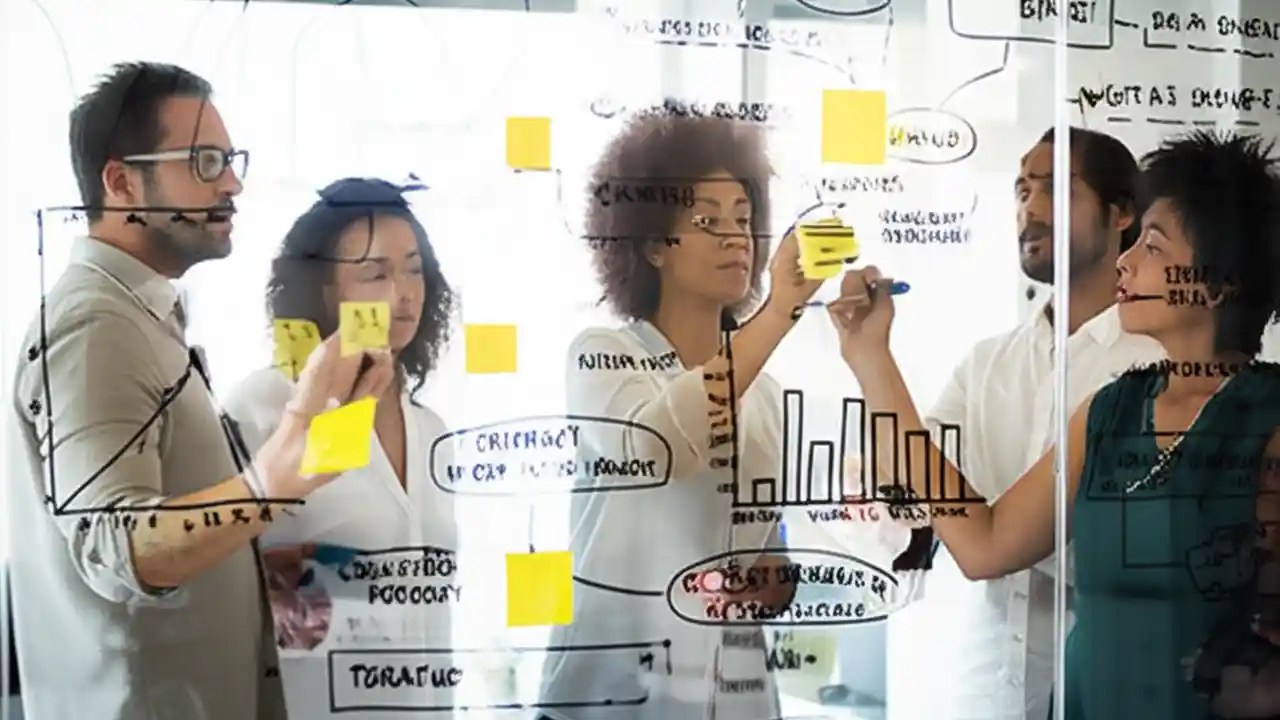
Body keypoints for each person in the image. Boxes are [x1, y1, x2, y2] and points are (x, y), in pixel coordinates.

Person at [833, 131, 1280, 718]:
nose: (1126, 260)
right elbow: (984, 545)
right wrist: (871, 358)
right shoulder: (1106, 412)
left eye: (1152, 246)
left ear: (1218, 283)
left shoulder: (1266, 416)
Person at [5, 62, 393, 719]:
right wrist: (271, 481)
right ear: (123, 181)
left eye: (230, 159)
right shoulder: (96, 324)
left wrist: (253, 551)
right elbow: (116, 544)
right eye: (206, 161)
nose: (234, 181)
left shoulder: (137, 314)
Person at [885, 127, 1165, 720]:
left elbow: (992, 542)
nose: (1029, 209)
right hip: (982, 689)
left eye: (1053, 189)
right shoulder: (987, 364)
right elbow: (909, 487)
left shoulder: (1156, 370)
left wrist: (870, 359)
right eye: (1020, 190)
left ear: (1120, 215)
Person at [223, 178, 460, 718]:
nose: (404, 292)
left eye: (415, 268)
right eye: (375, 273)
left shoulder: (433, 430)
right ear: (324, 290)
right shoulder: (265, 408)